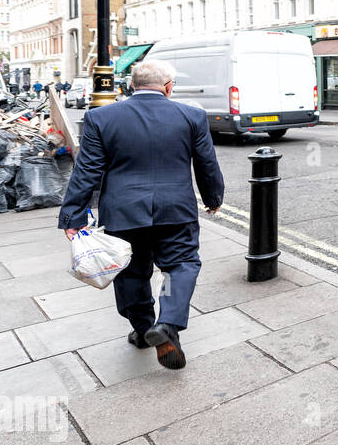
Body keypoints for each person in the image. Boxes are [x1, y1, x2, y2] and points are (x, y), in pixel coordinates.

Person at [57, 59, 224, 370]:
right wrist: (213, 197)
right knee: (180, 265)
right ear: (168, 87)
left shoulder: (100, 117)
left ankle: (144, 328)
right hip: (176, 210)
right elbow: (206, 163)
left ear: (132, 85)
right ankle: (168, 323)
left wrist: (73, 215)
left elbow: (87, 170)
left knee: (131, 272)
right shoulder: (192, 116)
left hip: (122, 211)